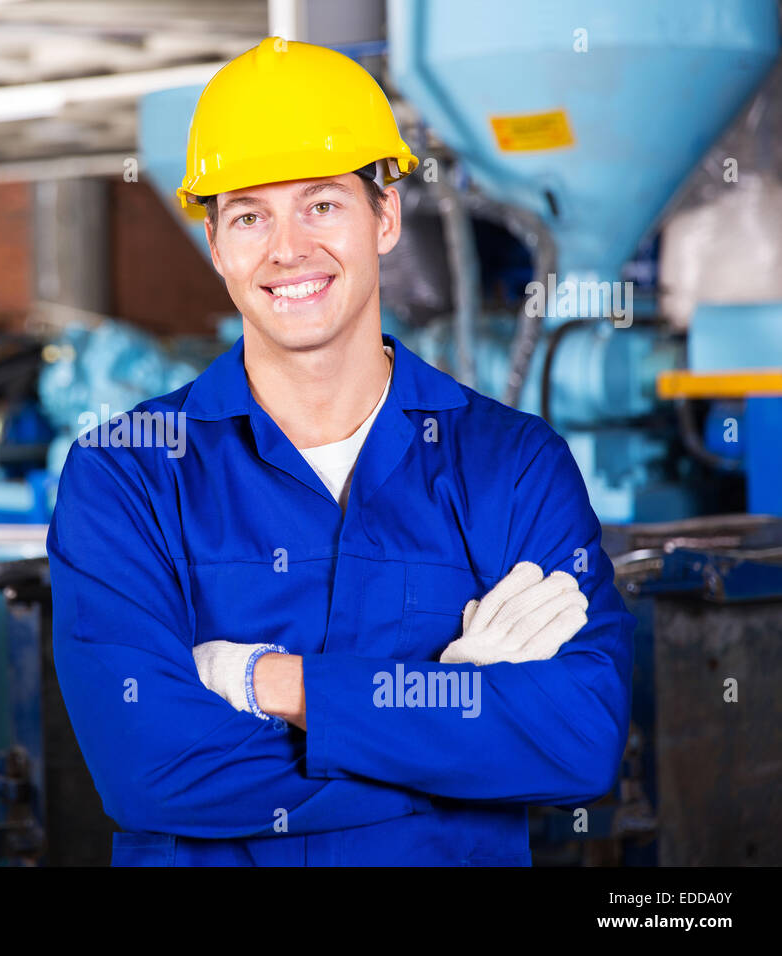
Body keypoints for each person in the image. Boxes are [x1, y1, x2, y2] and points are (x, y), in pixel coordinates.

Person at [46, 37, 634, 866]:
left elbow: (581, 740)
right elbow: (155, 772)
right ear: (216, 244)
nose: (288, 249)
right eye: (250, 215)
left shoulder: (512, 464)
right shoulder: (126, 476)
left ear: (385, 216)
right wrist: (450, 718)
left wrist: (276, 684)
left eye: (322, 204)